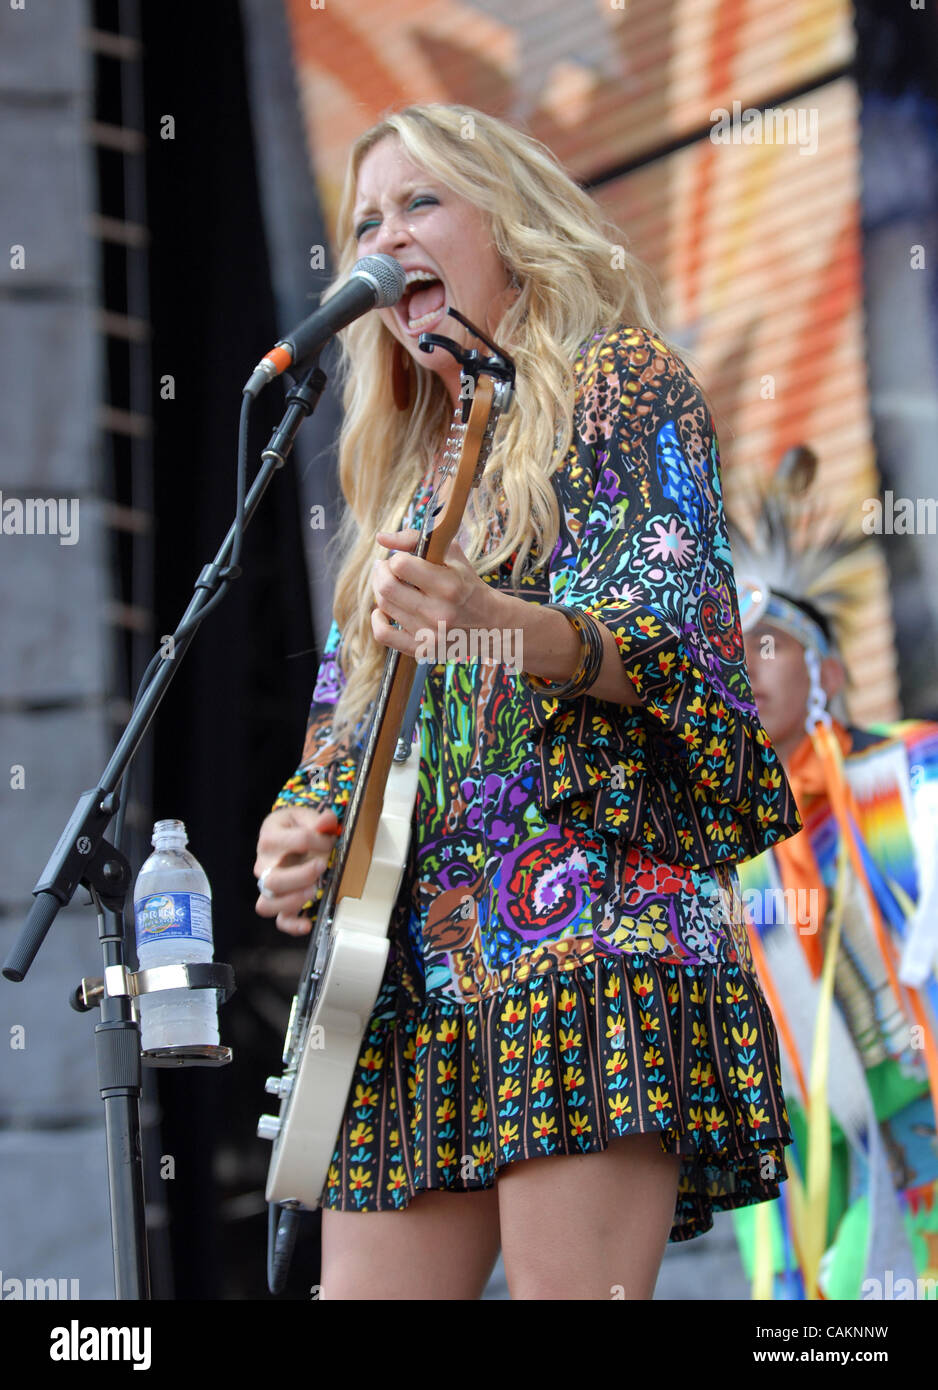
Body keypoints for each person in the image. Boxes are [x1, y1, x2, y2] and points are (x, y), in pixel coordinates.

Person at [252, 102, 803, 1301]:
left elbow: (676, 645)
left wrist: (500, 630)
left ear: (509, 222)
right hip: (405, 982)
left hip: (585, 934)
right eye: (364, 221)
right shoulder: (404, 471)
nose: (385, 238)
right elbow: (347, 731)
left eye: (420, 203)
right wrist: (299, 824)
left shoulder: (621, 385)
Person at [727, 445, 938, 1299]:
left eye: (769, 643)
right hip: (817, 1138)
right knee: (816, 1294)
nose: (746, 664)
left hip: (920, 1098)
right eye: (731, 650)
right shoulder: (717, 850)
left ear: (831, 672)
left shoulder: (912, 773)